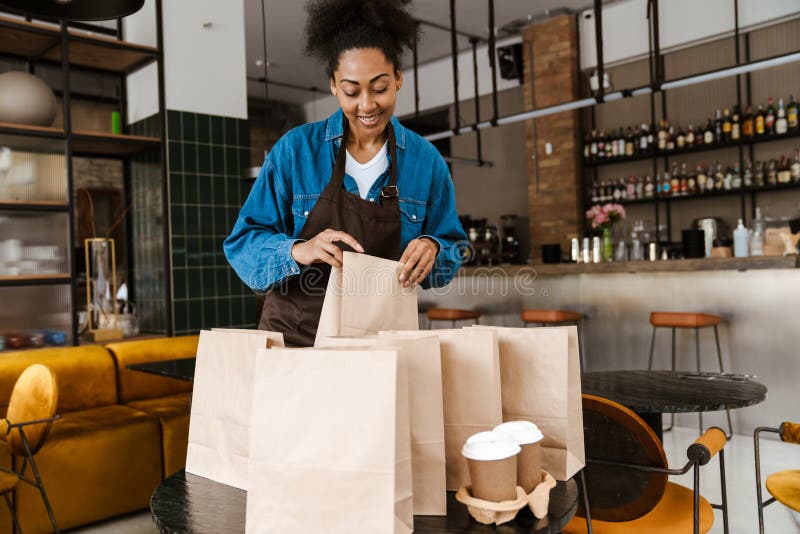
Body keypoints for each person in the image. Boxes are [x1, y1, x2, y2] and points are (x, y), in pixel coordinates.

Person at [224, 0, 466, 347]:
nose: (366, 105)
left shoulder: (426, 162)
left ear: (398, 78)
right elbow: (242, 244)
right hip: (294, 342)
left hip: (381, 344)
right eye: (352, 91)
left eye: (379, 87)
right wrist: (297, 250)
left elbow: (452, 250)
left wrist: (434, 247)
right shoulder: (295, 151)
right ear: (334, 85)